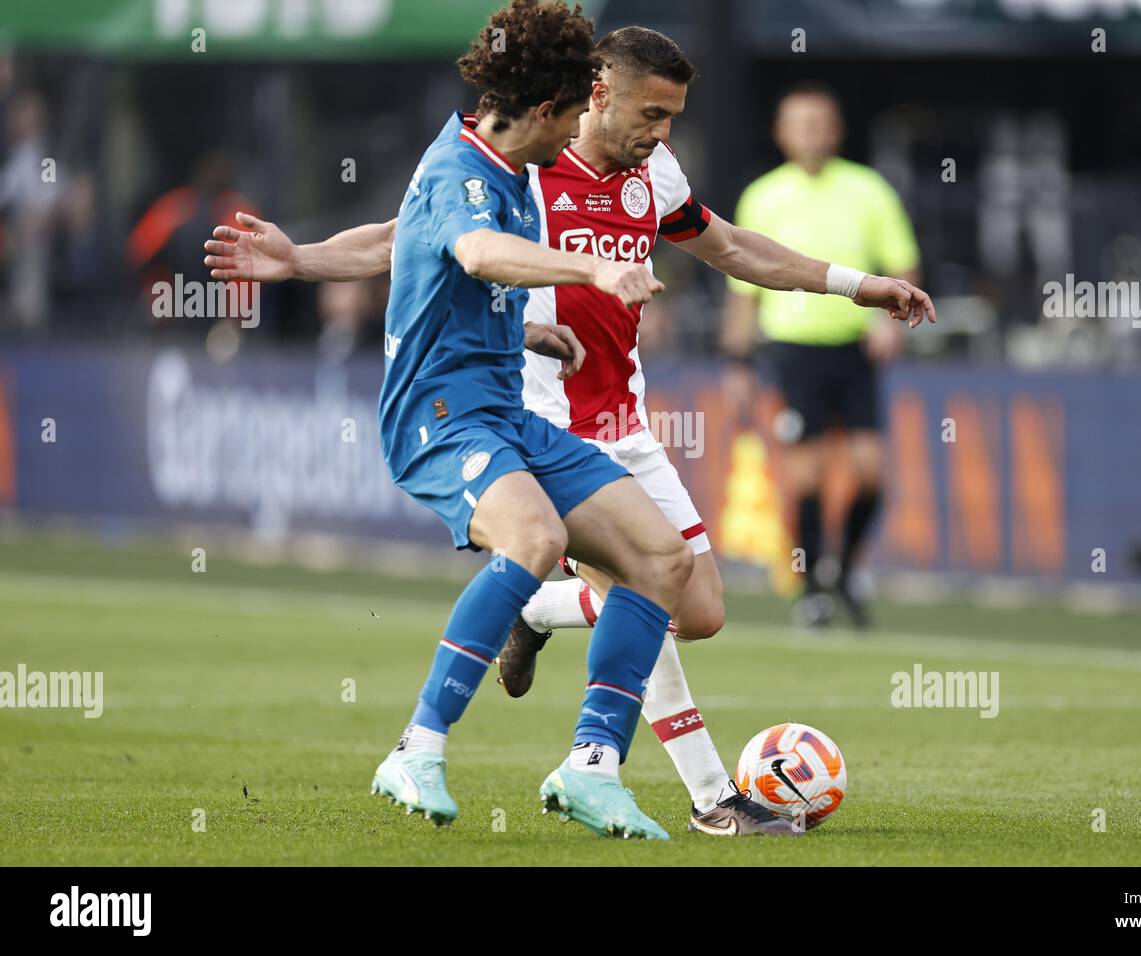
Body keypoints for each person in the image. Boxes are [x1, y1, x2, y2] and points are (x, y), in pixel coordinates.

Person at [205, 27, 933, 837]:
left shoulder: (652, 172)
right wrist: (301, 260)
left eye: (673, 116)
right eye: (652, 112)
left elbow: (730, 248)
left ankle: (542, 612)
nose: (663, 132)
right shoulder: (520, 164)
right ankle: (705, 796)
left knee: (695, 604)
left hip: (623, 417)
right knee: (636, 583)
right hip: (537, 416)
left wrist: (854, 285)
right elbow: (408, 238)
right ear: (596, 95)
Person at [303, 0, 704, 841]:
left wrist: (521, 327)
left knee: (661, 560)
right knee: (535, 540)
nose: (576, 143)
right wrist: (594, 269)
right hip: (440, 417)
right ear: (553, 107)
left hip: (505, 412)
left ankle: (593, 765)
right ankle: (416, 748)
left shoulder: (514, 169)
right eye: (573, 120)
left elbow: (422, 257)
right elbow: (479, 254)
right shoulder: (463, 169)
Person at [723, 83, 923, 629]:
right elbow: (744, 284)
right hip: (791, 351)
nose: (811, 133)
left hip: (853, 349)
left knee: (871, 472)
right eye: (799, 123)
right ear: (781, 133)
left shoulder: (868, 189)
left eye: (821, 123)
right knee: (804, 476)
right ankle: (812, 587)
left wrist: (892, 324)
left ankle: (844, 568)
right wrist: (738, 362)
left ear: (836, 131)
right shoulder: (763, 195)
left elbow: (903, 262)